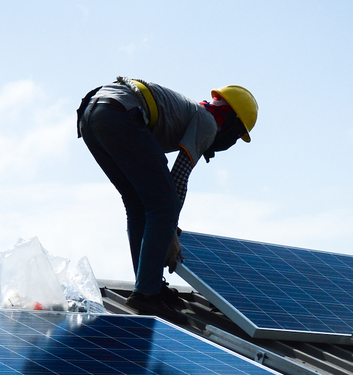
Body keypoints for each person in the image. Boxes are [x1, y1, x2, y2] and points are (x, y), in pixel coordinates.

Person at [78, 77, 257, 323]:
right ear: (230, 122)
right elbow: (179, 177)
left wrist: (167, 224)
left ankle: (148, 285)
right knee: (163, 205)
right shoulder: (208, 121)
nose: (232, 141)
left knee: (139, 204)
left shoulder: (188, 113)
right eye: (237, 134)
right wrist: (170, 228)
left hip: (92, 115)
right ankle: (147, 292)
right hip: (119, 113)